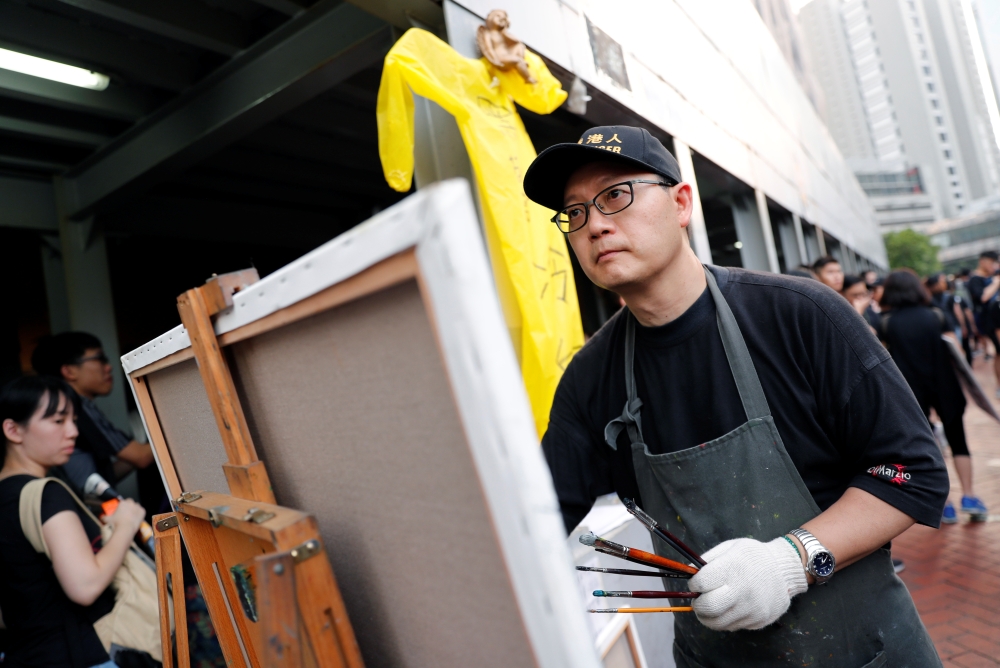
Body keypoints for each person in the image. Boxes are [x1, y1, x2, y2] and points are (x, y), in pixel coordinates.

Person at [523, 124, 946, 666]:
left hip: (863, 651)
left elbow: (909, 470)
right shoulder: (591, 377)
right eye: (575, 212)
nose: (595, 225)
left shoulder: (799, 316)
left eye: (615, 196)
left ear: (681, 203)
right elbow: (539, 516)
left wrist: (791, 562)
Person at [0, 375, 146, 667]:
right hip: (79, 654)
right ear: (13, 430)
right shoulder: (46, 495)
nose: (73, 432)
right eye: (57, 421)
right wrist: (126, 524)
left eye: (73, 420)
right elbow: (85, 586)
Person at [879, 270, 987, 523]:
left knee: (927, 446)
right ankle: (969, 496)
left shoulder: (886, 323)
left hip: (910, 391)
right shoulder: (936, 315)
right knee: (958, 439)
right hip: (945, 384)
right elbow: (957, 352)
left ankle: (945, 504)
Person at [31, 333, 155, 499]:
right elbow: (141, 457)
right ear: (69, 371)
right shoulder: (78, 407)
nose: (109, 366)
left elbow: (100, 477)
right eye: (100, 359)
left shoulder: (76, 406)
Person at [966, 251, 1000, 394]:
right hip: (991, 321)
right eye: (991, 262)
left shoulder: (991, 276)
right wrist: (996, 283)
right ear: (983, 262)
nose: (993, 265)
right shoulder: (975, 279)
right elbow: (983, 297)